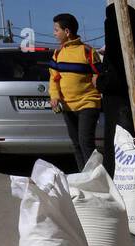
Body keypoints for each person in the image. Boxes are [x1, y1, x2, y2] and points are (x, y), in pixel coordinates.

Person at [97, 0, 135, 177]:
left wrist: (99, 82)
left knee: (121, 153)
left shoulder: (120, 45)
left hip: (121, 107)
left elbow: (115, 78)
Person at [48, 13, 101, 172]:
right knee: (76, 144)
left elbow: (98, 74)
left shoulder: (87, 52)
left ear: (67, 31)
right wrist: (54, 97)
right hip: (67, 107)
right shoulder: (57, 54)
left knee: (86, 143)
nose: (54, 33)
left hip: (88, 103)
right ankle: (83, 177)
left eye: (56, 30)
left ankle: (96, 178)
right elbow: (54, 78)